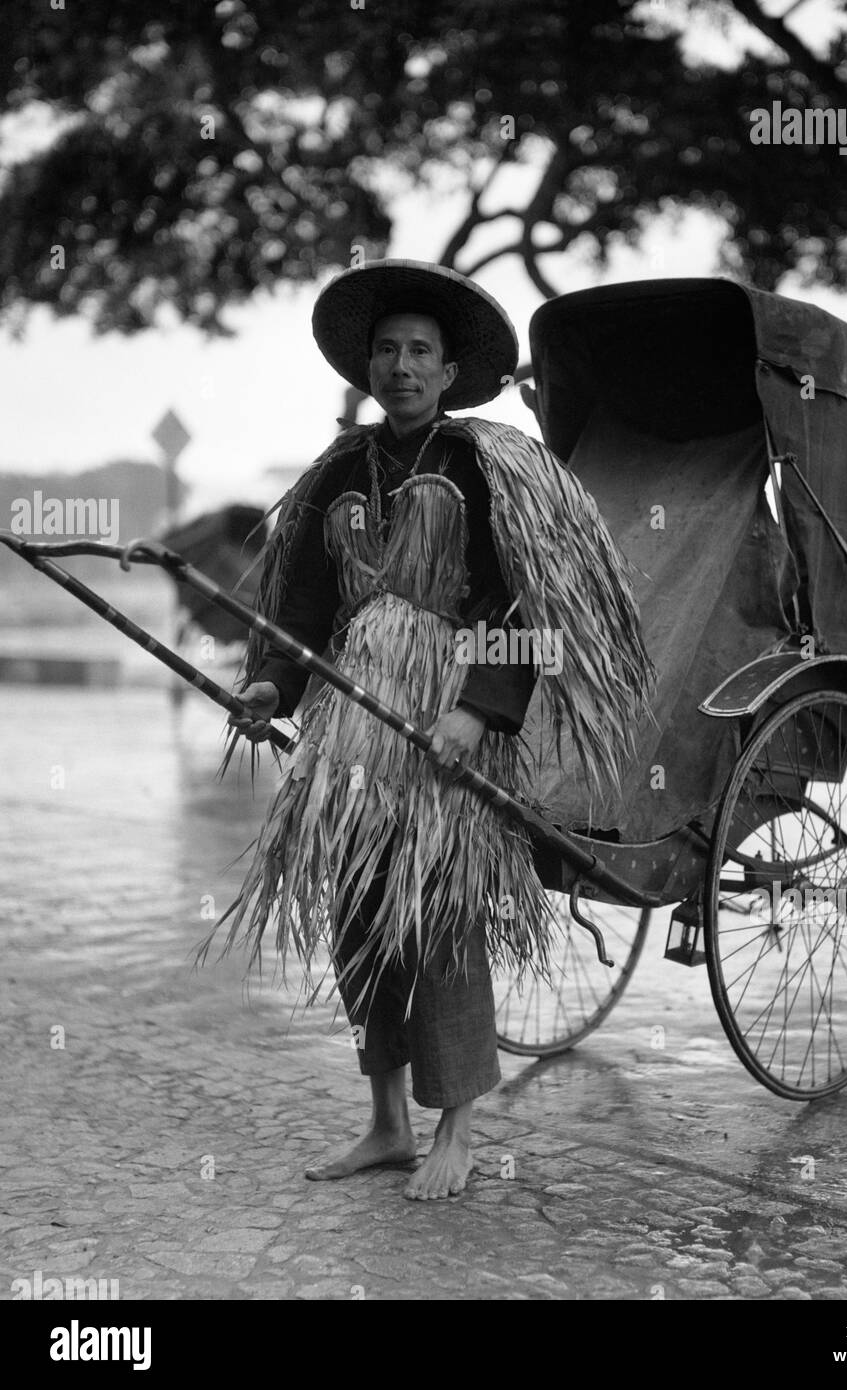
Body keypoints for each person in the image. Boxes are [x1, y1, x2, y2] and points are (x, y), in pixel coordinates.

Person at [219, 259, 653, 1200]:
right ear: (365, 366)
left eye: (420, 352)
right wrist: (269, 686)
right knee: (361, 908)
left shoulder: (485, 465)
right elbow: (299, 606)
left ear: (450, 371)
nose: (401, 367)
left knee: (442, 911)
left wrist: (476, 708)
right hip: (351, 726)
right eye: (386, 351)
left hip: (448, 717)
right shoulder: (339, 469)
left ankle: (456, 1123)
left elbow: (526, 603)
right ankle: (385, 1123)